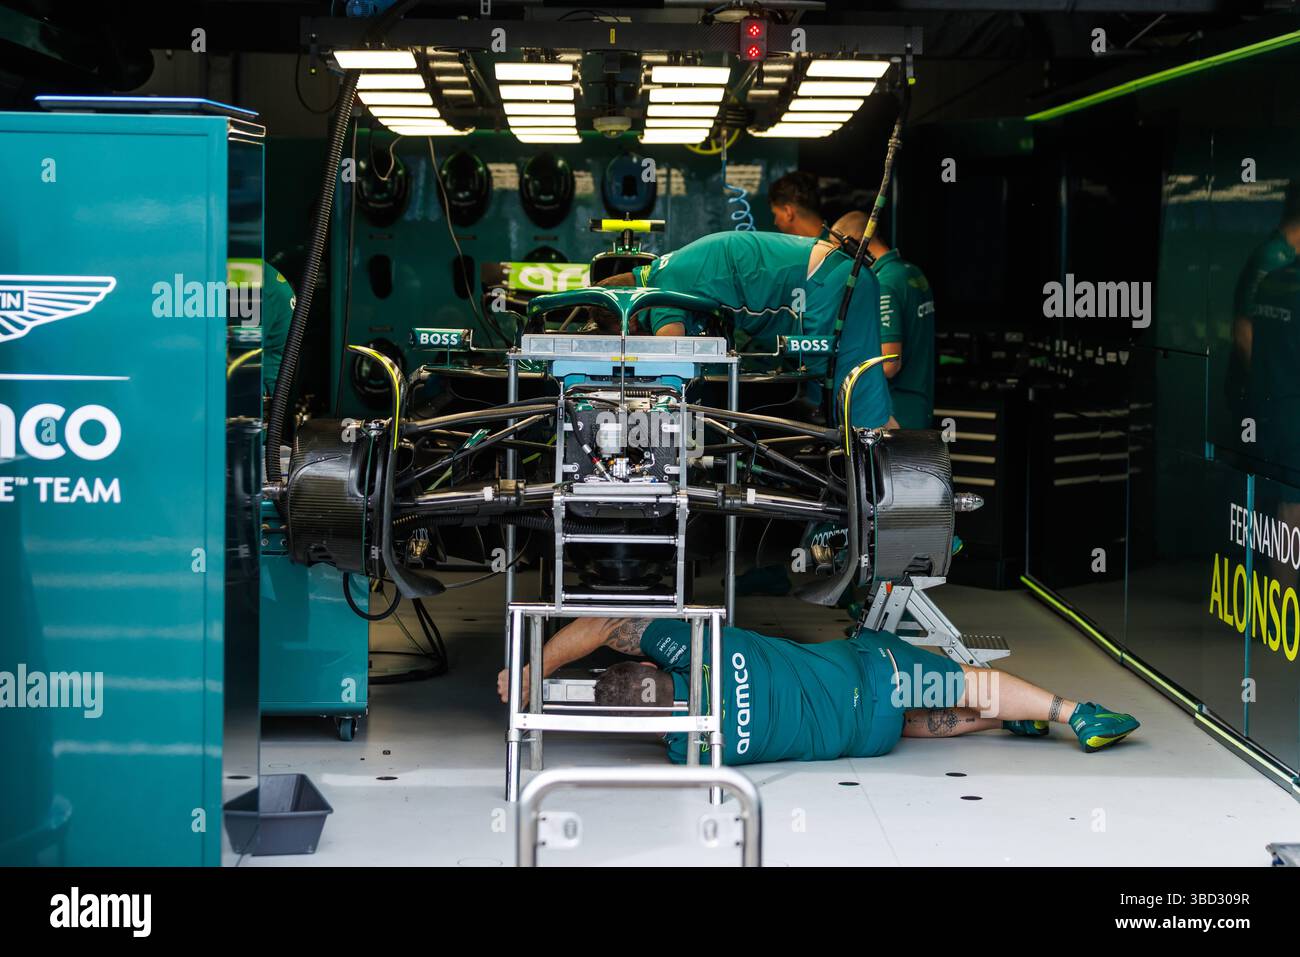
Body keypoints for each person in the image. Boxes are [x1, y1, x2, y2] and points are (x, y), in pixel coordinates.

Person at [496, 616, 1141, 764]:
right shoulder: (696, 646)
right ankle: (1072, 712)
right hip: (873, 671)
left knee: (927, 716)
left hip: (870, 739)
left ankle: (1010, 724)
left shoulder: (684, 749)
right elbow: (608, 626)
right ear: (656, 670)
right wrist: (535, 669)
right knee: (965, 681)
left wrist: (537, 698)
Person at [596, 222, 897, 429]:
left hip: (831, 287)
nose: (637, 335)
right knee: (837, 409)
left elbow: (666, 362)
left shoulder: (661, 292)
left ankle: (892, 503)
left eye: (632, 334)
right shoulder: (665, 268)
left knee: (856, 414)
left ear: (630, 318)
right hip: (828, 280)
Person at [832, 211, 936, 430]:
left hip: (896, 413)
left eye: (841, 250)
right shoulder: (911, 272)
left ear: (856, 244)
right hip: (919, 404)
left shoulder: (884, 284)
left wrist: (844, 377)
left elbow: (889, 364)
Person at [769, 170, 826, 239]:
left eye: (775, 214)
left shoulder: (788, 248)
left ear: (788, 212)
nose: (775, 222)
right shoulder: (839, 244)